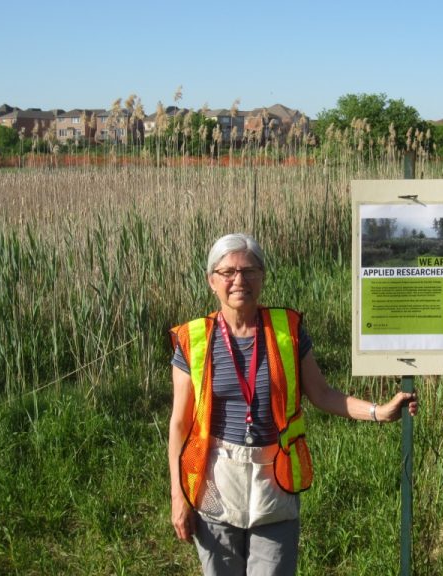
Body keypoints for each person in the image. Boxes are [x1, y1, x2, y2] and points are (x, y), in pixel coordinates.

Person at [168, 233, 418, 575]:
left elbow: (323, 394)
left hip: (275, 485)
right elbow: (179, 425)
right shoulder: (193, 339)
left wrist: (379, 411)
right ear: (212, 281)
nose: (239, 280)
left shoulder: (287, 329)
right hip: (214, 484)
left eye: (249, 270)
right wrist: (178, 496)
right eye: (228, 272)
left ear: (263, 277)